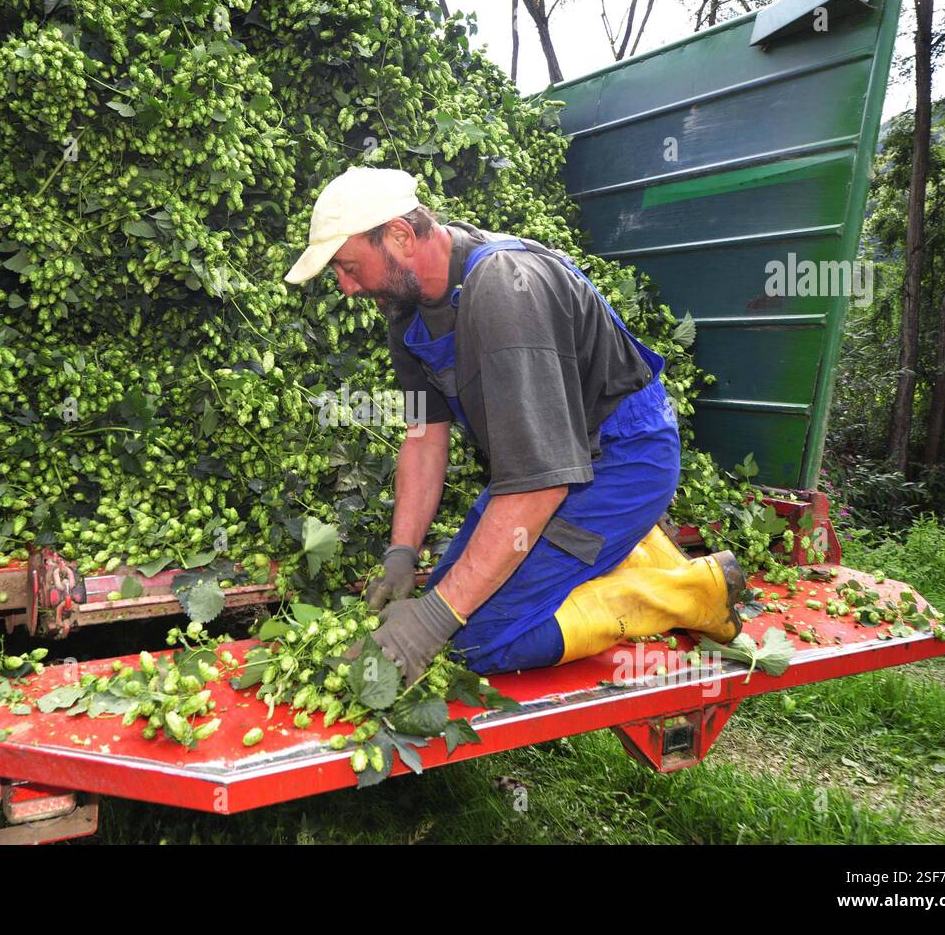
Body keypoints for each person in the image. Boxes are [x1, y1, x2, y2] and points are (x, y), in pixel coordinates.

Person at [284, 166, 744, 679]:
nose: (347, 287)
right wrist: (401, 552)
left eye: (349, 267)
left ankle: (685, 592)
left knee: (470, 641)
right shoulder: (405, 311)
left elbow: (540, 485)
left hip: (621, 457)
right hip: (538, 465)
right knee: (452, 596)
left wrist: (432, 623)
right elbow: (423, 433)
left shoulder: (506, 289)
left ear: (398, 235)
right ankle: (622, 547)